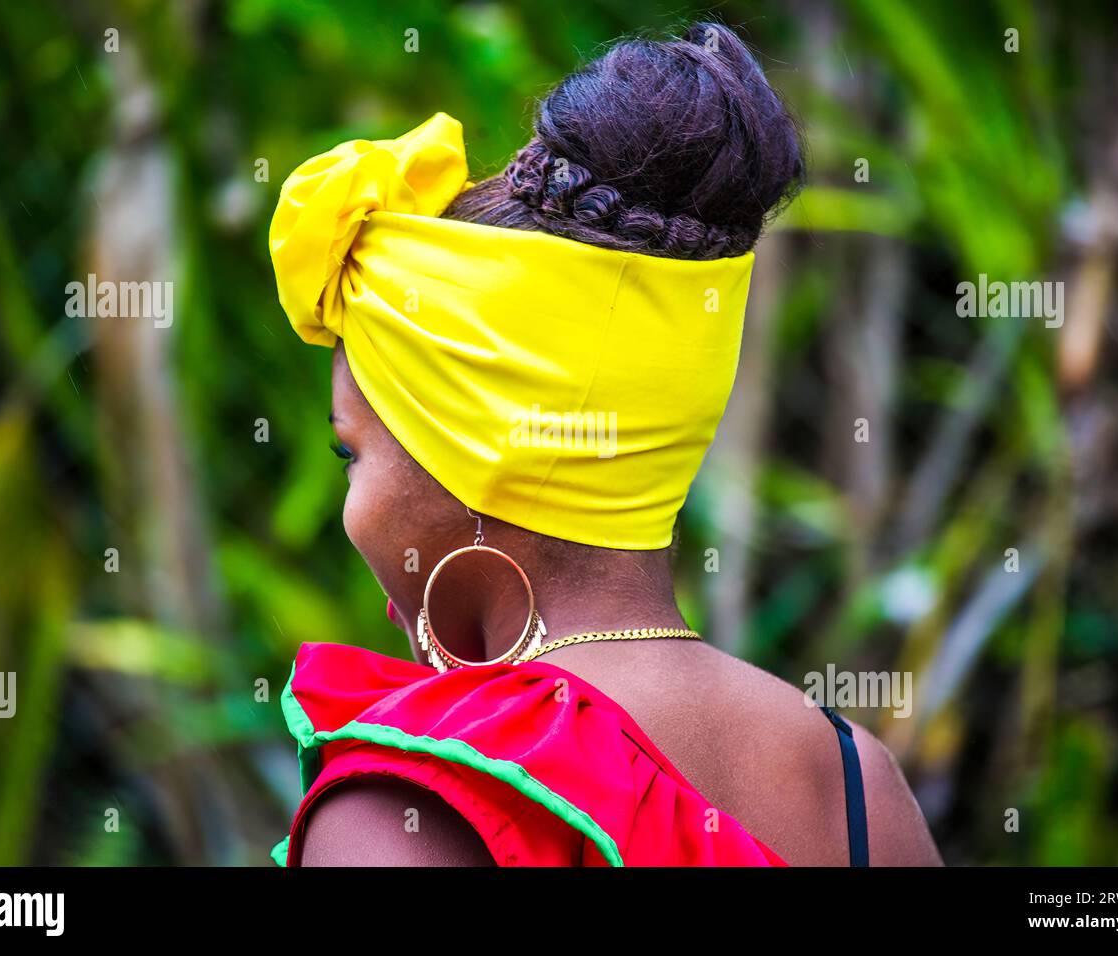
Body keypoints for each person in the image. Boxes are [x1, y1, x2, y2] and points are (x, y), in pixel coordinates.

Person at [267, 22, 941, 866]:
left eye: (352, 456)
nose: (352, 511)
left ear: (470, 462)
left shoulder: (410, 809)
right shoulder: (856, 784)